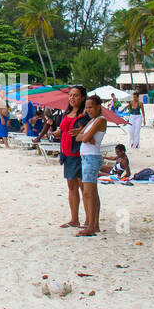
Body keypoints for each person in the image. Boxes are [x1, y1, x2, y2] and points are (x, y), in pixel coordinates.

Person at [51, 86, 88, 229]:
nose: (72, 98)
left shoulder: (85, 113)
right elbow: (63, 129)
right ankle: (74, 219)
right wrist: (57, 132)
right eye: (71, 95)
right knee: (71, 187)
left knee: (83, 188)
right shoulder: (68, 112)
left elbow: (94, 125)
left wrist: (81, 130)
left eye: (76, 95)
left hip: (78, 154)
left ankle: (88, 220)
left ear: (83, 97)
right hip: (67, 154)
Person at [76, 94, 108, 235]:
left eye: (90, 107)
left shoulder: (100, 120)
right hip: (87, 157)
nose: (88, 110)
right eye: (86, 107)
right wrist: (85, 137)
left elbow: (84, 137)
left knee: (89, 192)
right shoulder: (93, 120)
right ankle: (93, 224)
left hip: (92, 157)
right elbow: (78, 136)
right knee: (91, 192)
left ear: (98, 107)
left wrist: (85, 137)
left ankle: (93, 226)